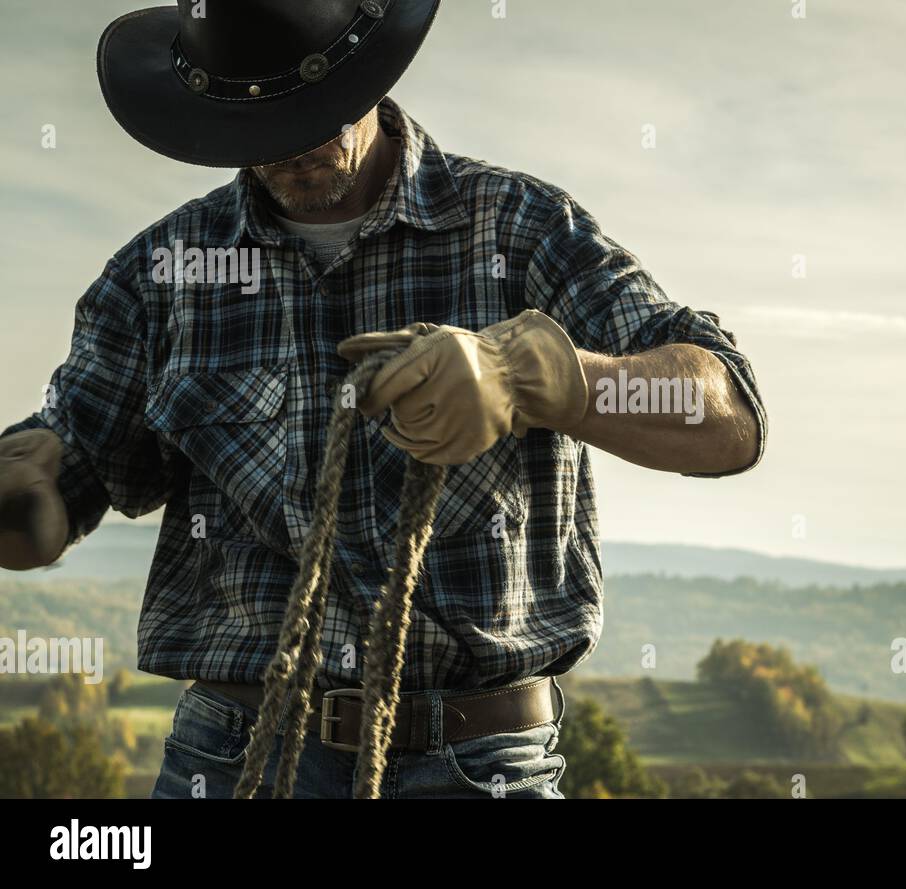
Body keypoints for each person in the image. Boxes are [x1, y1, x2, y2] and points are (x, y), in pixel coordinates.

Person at [0, 0, 766, 798]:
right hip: (233, 761)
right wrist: (30, 496)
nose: (291, 144)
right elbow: (71, 461)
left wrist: (536, 377)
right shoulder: (159, 275)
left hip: (482, 764)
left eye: (312, 111)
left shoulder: (522, 229)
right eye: (256, 121)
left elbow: (729, 414)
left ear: (367, 67)